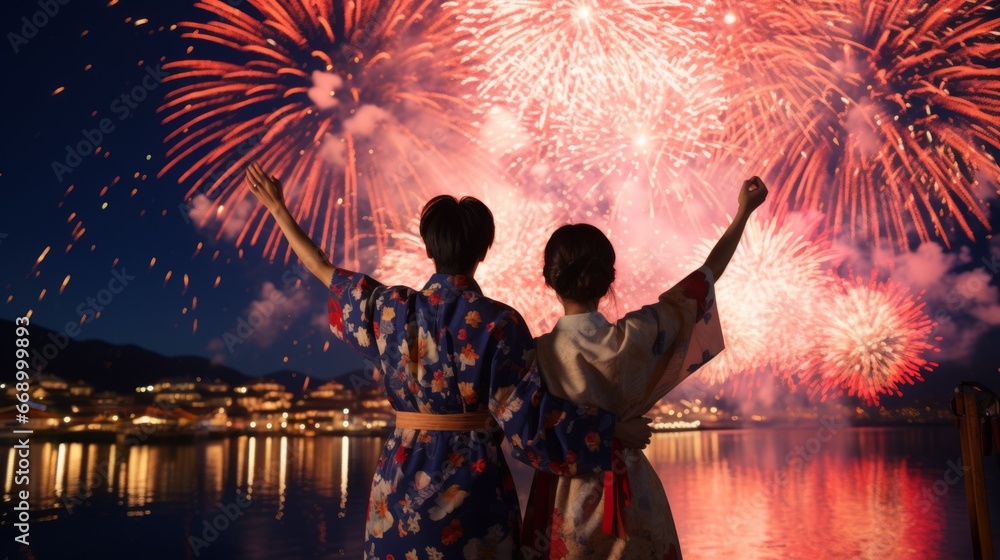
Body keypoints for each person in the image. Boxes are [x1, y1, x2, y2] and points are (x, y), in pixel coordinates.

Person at [244, 162, 653, 559]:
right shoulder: (500, 323)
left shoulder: (389, 310)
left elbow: (322, 268)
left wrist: (279, 209)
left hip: (397, 493)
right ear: (483, 251)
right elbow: (530, 428)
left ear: (427, 246)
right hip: (472, 495)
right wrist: (611, 431)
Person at [521, 177, 769, 559]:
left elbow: (525, 425)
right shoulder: (634, 337)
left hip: (560, 495)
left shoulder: (534, 354)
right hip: (631, 487)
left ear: (548, 280)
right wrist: (742, 213)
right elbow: (703, 279)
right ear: (609, 281)